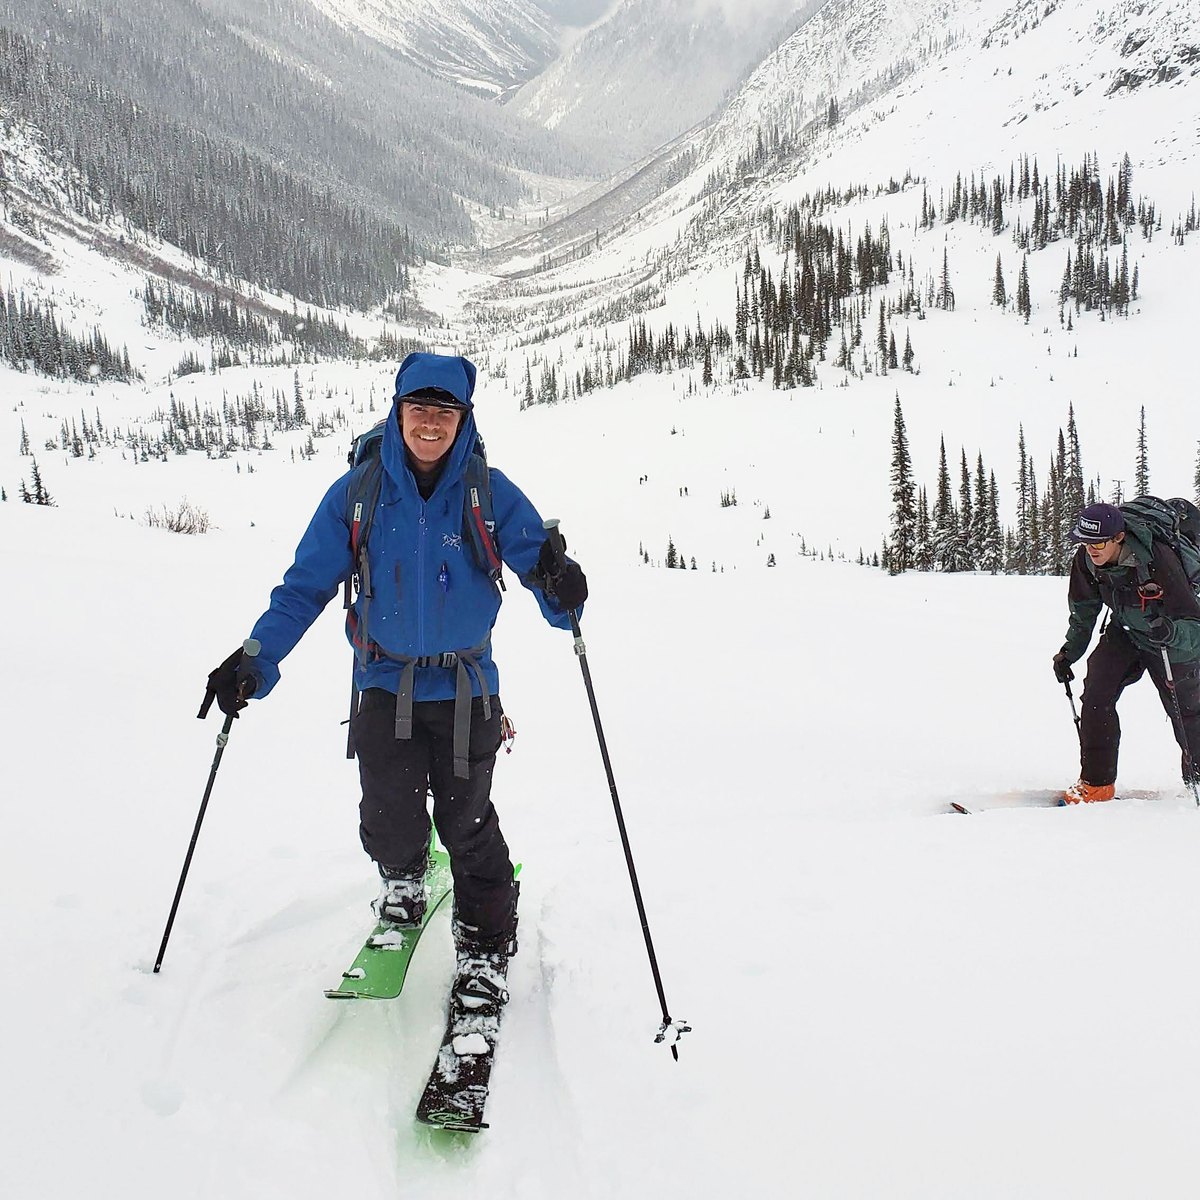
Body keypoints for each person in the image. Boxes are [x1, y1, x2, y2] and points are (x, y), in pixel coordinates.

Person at [204, 352, 587, 998]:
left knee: (465, 824)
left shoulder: (489, 493)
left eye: (445, 411)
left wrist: (563, 586)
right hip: (383, 683)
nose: (430, 424)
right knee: (387, 818)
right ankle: (405, 882)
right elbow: (303, 589)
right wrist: (254, 660)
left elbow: (551, 587)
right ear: (398, 410)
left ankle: (486, 943)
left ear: (463, 418)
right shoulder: (359, 495)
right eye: (419, 409)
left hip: (467, 691)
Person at [1053, 501, 1200, 802]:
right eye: (1085, 541)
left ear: (1119, 537)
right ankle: (1096, 784)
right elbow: (1083, 612)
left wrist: (1172, 632)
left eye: (1098, 542)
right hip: (1126, 631)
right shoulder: (1087, 560)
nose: (1091, 549)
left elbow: (1195, 625)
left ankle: (1197, 782)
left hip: (1170, 640)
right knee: (1096, 694)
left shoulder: (1158, 560)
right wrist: (1070, 653)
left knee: (1188, 714)